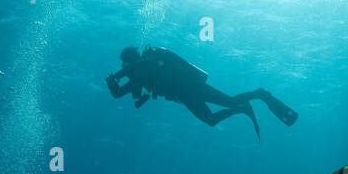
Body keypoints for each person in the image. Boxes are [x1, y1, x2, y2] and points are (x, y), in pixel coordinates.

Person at [106, 46, 298, 140]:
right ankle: (241, 108)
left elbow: (153, 62)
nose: (125, 67)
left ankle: (259, 94)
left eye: (126, 63)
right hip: (185, 97)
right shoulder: (137, 78)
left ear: (132, 59)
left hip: (193, 87)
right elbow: (117, 94)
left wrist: (123, 71)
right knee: (211, 120)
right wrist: (111, 83)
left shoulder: (152, 57)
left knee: (230, 100)